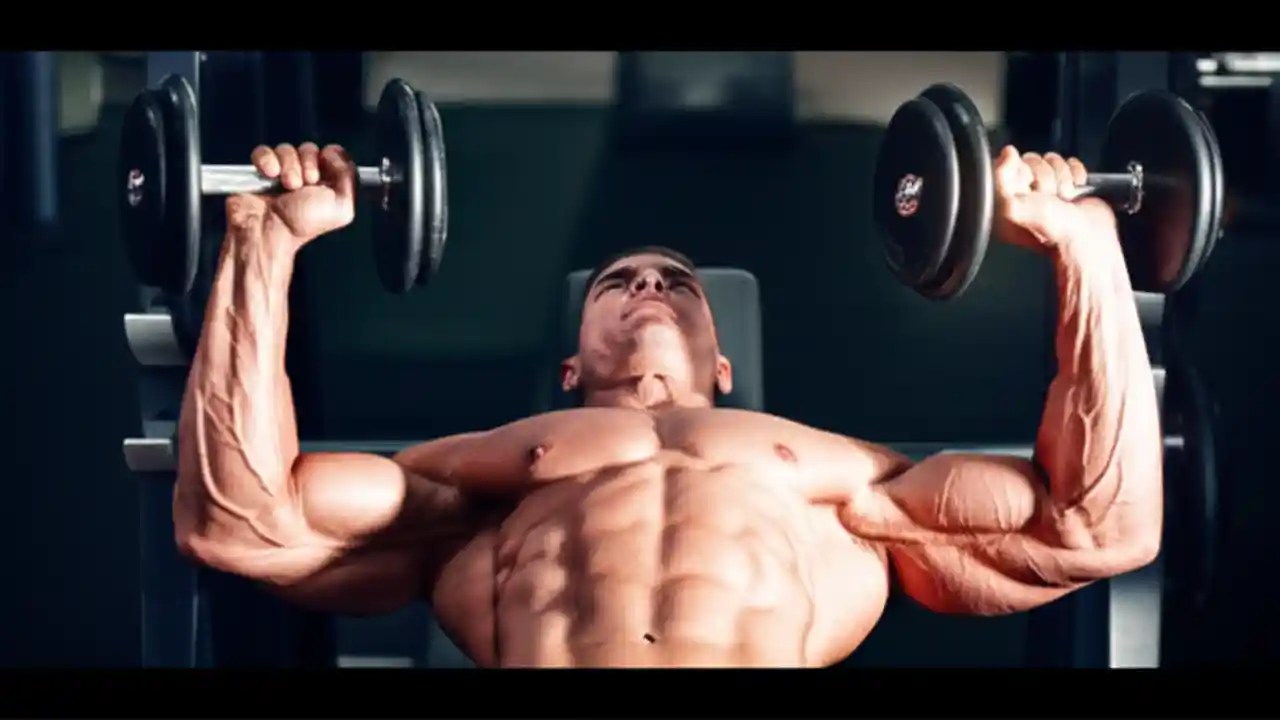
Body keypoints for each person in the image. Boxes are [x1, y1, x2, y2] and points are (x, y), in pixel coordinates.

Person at [172, 140, 1162, 668]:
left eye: (673, 283)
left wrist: (1083, 247)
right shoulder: (473, 480)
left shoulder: (841, 479)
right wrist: (263, 245)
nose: (645, 286)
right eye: (619, 283)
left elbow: (1097, 529)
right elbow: (240, 525)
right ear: (568, 369)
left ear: (724, 366)